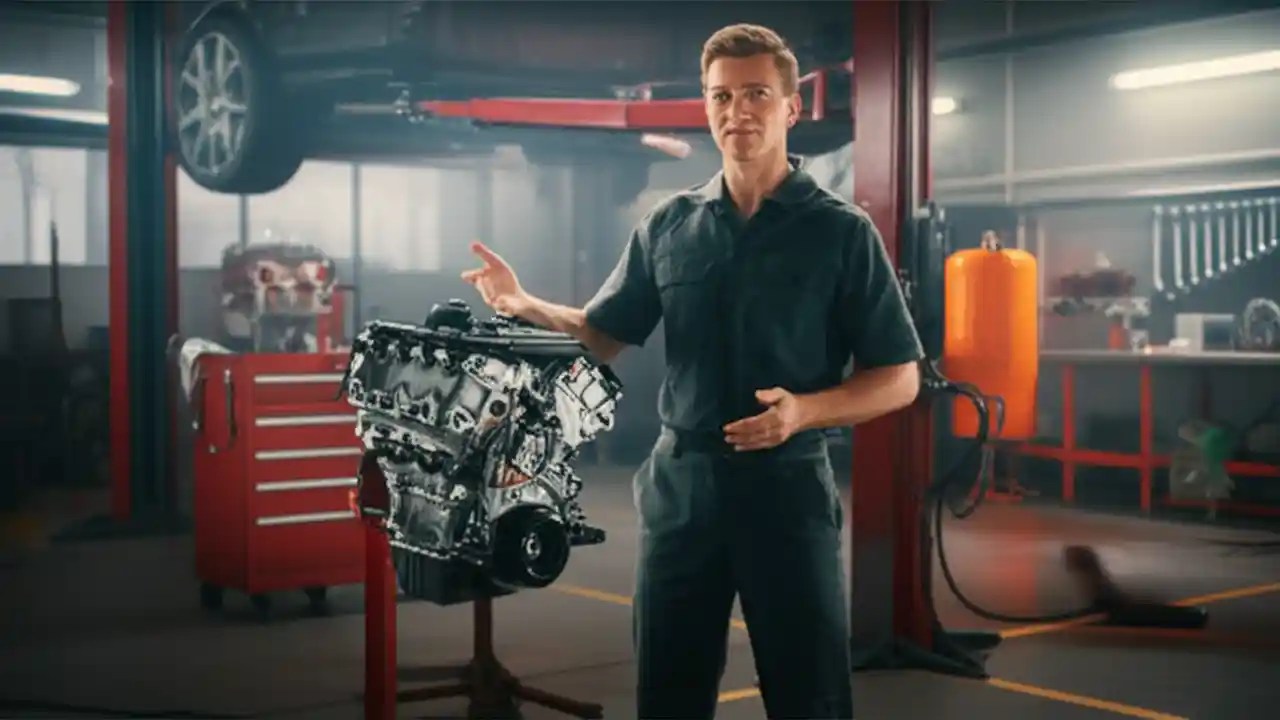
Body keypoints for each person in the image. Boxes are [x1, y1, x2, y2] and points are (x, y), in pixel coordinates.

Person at [461, 23, 924, 720]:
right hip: (683, 494)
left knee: (811, 696)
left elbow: (899, 376)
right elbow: (602, 335)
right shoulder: (669, 226)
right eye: (722, 96)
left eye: (757, 94)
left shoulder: (840, 232)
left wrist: (805, 411)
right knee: (669, 695)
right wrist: (524, 304)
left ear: (791, 109)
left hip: (787, 492)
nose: (738, 111)